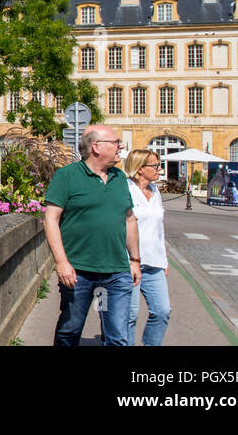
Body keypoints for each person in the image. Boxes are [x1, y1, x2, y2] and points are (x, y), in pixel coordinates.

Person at [43, 125, 142, 345]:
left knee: (118, 335)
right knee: (70, 330)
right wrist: (61, 262)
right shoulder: (67, 176)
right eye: (116, 142)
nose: (121, 146)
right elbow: (51, 219)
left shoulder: (118, 176)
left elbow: (129, 219)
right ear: (96, 147)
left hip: (116, 272)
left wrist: (135, 260)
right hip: (79, 272)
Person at [124, 149, 170, 346]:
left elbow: (159, 228)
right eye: (155, 165)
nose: (160, 169)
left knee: (162, 311)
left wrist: (165, 260)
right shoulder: (125, 189)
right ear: (140, 168)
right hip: (129, 261)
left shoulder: (155, 190)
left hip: (155, 262)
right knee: (130, 314)